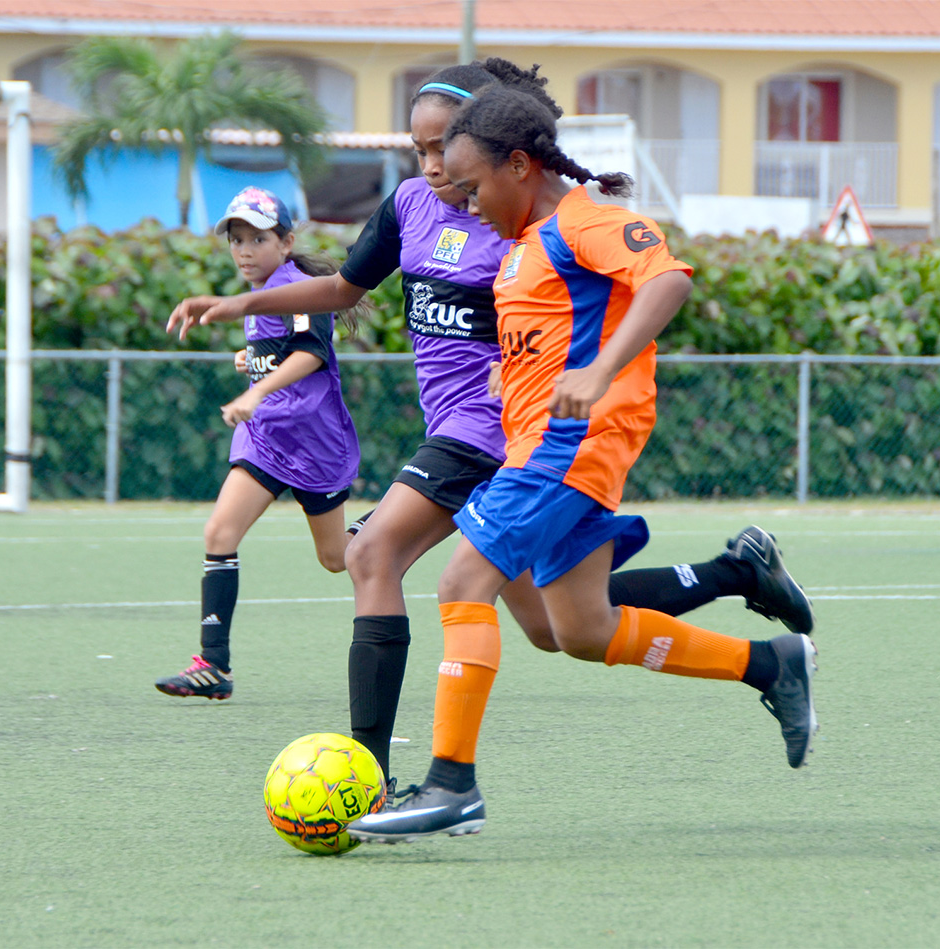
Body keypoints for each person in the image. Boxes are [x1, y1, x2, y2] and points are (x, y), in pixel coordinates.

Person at [166, 61, 813, 782]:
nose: (435, 165)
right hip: (467, 430)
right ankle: (746, 607)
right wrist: (241, 305)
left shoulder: (515, 215)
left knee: (371, 554)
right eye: (420, 149)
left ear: (489, 149)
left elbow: (606, 291)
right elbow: (346, 287)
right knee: (564, 626)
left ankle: (373, 778)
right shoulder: (412, 206)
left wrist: (583, 370)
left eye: (446, 146)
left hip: (496, 433)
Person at [347, 86, 819, 843]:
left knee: (462, 581)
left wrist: (600, 372)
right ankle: (771, 663)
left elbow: (666, 279)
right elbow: (541, 339)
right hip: (539, 445)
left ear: (521, 165)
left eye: (473, 187)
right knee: (580, 628)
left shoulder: (583, 220)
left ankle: (451, 782)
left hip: (572, 444)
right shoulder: (527, 245)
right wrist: (511, 373)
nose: (465, 203)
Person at [155, 187, 362, 700]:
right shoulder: (257, 294)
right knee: (219, 531)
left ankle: (395, 520)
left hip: (314, 441)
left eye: (258, 238)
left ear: (287, 242)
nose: (244, 250)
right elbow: (281, 352)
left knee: (337, 558)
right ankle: (213, 666)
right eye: (237, 239)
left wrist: (258, 390)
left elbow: (310, 355)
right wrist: (252, 363)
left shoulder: (298, 288)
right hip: (267, 438)